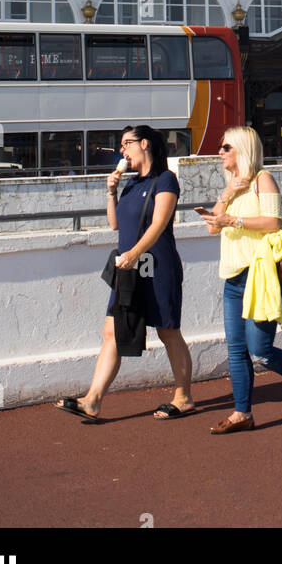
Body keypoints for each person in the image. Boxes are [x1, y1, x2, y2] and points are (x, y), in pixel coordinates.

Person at [55, 124, 195, 422]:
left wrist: (133, 254)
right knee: (112, 331)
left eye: (126, 143)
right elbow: (116, 224)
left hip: (157, 267)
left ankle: (183, 396)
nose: (122, 150)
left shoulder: (165, 180)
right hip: (128, 269)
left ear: (144, 143)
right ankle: (92, 400)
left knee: (167, 331)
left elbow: (158, 225)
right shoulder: (131, 183)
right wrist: (111, 191)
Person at [200, 125, 282, 433]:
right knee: (236, 351)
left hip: (262, 276)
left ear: (242, 149)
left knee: (260, 351)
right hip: (233, 278)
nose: (220, 152)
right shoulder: (230, 185)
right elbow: (212, 227)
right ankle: (243, 413)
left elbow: (273, 222)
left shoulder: (262, 180)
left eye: (226, 147)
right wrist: (226, 195)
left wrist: (233, 220)